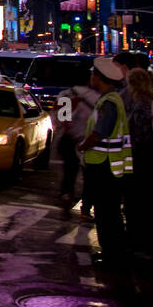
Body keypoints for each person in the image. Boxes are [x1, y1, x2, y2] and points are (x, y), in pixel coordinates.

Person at [79, 58, 133, 269]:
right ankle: (113, 252)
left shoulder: (108, 102)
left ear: (99, 77)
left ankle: (112, 254)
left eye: (93, 74)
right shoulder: (112, 99)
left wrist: (83, 146)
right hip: (109, 165)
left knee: (106, 213)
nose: (91, 78)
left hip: (105, 166)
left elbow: (100, 132)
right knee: (109, 212)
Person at [123, 68, 153, 265]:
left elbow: (138, 136)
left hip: (139, 158)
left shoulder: (141, 106)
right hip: (147, 157)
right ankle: (143, 241)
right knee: (143, 201)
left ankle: (138, 242)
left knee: (136, 201)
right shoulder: (150, 102)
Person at [59, 84, 97, 214]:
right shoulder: (97, 96)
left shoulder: (65, 94)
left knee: (69, 171)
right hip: (89, 141)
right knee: (89, 175)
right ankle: (86, 207)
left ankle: (67, 195)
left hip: (71, 139)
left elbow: (62, 120)